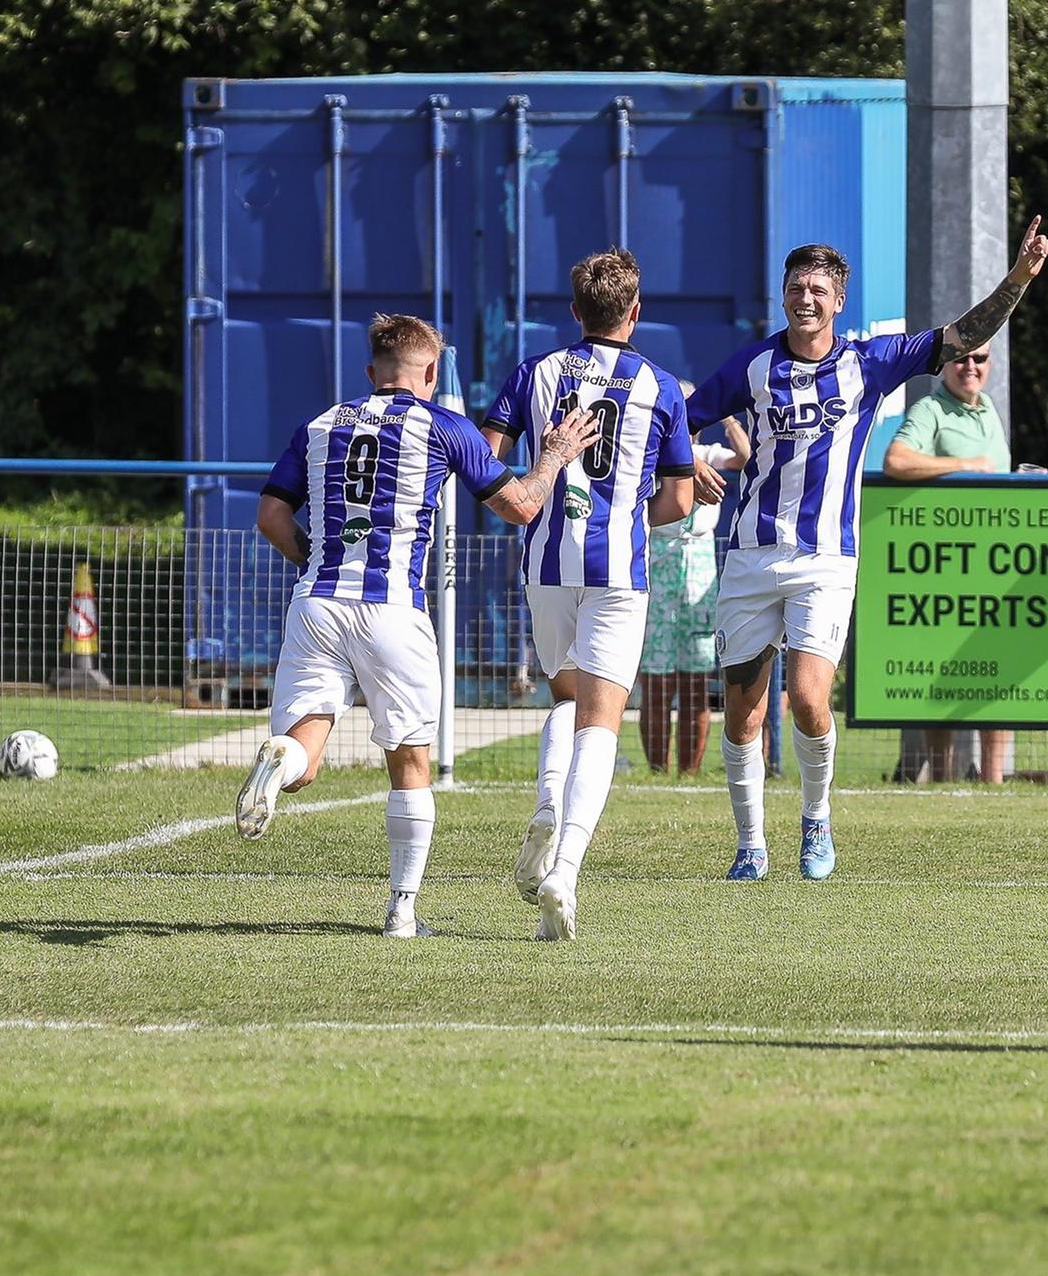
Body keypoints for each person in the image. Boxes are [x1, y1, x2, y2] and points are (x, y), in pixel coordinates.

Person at [688, 219, 1048, 881]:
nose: (806, 298)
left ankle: (816, 817)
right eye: (796, 286)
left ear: (839, 301)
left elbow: (962, 336)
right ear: (783, 294)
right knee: (742, 713)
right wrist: (685, 460)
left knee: (806, 696)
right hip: (750, 555)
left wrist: (1021, 276)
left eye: (818, 289)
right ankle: (749, 844)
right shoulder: (753, 365)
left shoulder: (870, 362)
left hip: (826, 560)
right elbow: (678, 416)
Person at [239, 313, 599, 939]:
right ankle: (402, 911)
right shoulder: (444, 427)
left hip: (317, 605)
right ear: (431, 372)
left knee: (308, 760)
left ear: (370, 372)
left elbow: (272, 516)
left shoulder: (320, 424)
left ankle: (281, 757)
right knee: (410, 764)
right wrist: (555, 457)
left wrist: (313, 559)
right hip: (393, 612)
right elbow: (520, 507)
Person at [482, 249, 696, 940]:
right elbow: (681, 498)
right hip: (617, 570)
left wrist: (539, 475)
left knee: (567, 700)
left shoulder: (536, 372)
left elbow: (484, 460)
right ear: (634, 312)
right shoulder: (660, 387)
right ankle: (565, 867)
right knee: (602, 720)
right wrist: (633, 512)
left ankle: (547, 805)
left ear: (575, 312)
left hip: (546, 562)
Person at [883, 342, 1014, 785]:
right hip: (945, 566)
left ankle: (994, 781)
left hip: (990, 565)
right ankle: (941, 781)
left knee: (996, 675)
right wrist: (964, 465)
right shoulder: (929, 409)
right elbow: (896, 460)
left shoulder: (990, 408)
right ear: (946, 364)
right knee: (943, 677)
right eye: (963, 358)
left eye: (981, 359)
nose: (971, 367)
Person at [639, 392, 749, 776]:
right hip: (659, 561)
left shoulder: (710, 452)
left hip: (699, 565)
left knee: (696, 680)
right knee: (655, 680)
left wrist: (729, 418)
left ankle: (690, 772)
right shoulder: (651, 448)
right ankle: (656, 769)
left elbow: (745, 458)